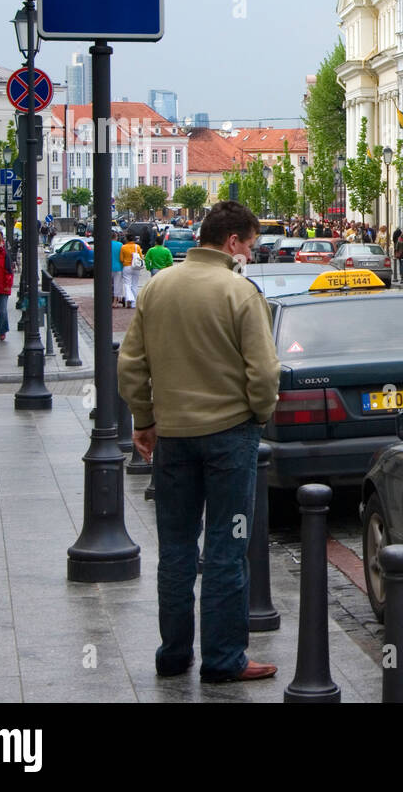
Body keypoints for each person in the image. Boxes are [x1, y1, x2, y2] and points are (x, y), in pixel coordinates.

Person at [118, 200, 280, 685]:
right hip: (230, 437)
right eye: (249, 245)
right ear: (233, 242)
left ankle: (172, 654)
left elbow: (130, 366)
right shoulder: (240, 292)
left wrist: (145, 419)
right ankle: (223, 658)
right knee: (229, 549)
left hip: (173, 437)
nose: (250, 254)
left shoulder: (157, 288)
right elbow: (265, 372)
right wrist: (258, 413)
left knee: (176, 550)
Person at [120, 235, 144, 309]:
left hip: (127, 267)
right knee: (135, 285)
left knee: (127, 284)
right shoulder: (137, 247)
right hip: (136, 267)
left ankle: (129, 299)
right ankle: (134, 303)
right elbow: (140, 257)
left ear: (126, 239)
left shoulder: (123, 247)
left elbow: (121, 259)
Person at [108, 230, 126, 307]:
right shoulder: (120, 245)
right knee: (117, 285)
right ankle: (115, 301)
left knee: (108, 285)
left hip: (108, 267)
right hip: (118, 267)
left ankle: (107, 299)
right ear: (116, 237)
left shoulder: (106, 244)